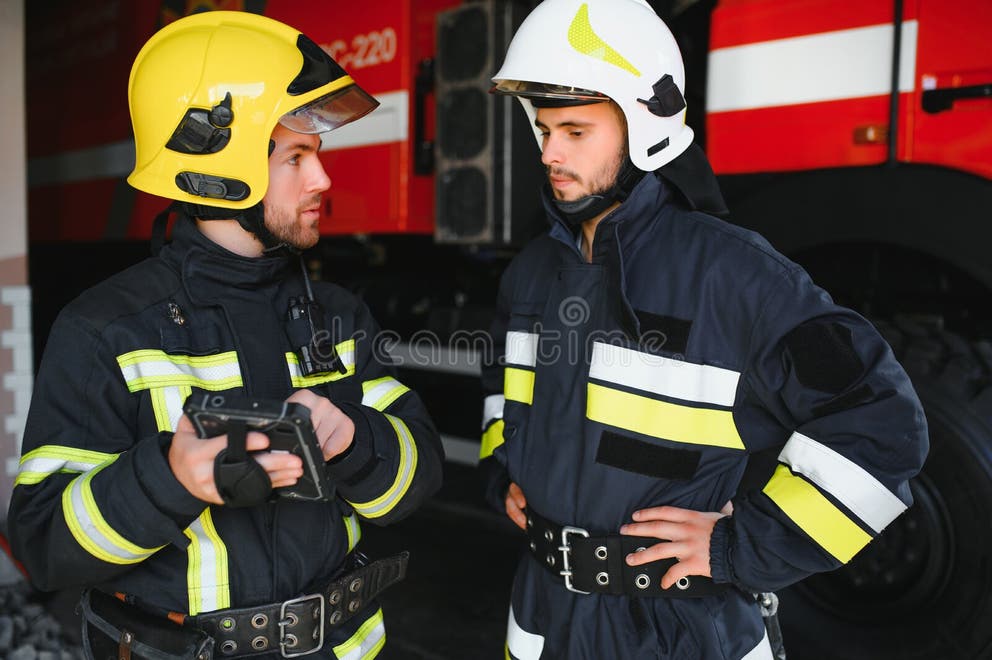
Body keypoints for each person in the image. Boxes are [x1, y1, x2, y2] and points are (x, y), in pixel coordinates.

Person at [478, 0, 929, 658]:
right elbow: (505, 386)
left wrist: (739, 547)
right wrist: (503, 471)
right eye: (544, 129)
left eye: (575, 130)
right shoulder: (530, 274)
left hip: (679, 630)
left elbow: (881, 424)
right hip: (543, 616)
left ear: (643, 127)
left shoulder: (736, 276)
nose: (550, 152)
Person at [7, 11, 443, 660]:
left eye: (316, 154)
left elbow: (420, 475)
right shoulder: (106, 330)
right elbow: (44, 544)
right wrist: (169, 478)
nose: (323, 180)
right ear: (219, 170)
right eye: (296, 158)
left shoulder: (337, 314)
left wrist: (353, 440)